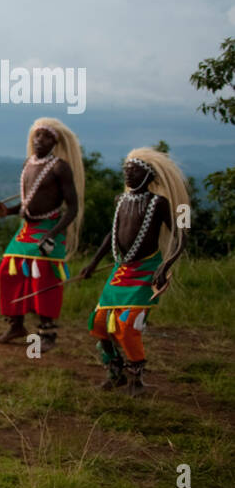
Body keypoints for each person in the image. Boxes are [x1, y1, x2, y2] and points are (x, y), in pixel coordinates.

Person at [79, 149, 187, 396]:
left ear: (149, 175)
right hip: (120, 272)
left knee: (127, 326)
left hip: (146, 272)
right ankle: (114, 372)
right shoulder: (121, 200)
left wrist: (165, 265)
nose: (128, 174)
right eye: (126, 170)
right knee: (98, 324)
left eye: (134, 170)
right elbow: (112, 235)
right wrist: (93, 263)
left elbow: (182, 234)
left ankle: (136, 380)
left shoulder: (158, 203)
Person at [0, 117, 84, 350]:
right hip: (26, 230)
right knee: (7, 271)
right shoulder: (28, 164)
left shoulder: (60, 167)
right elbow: (26, 205)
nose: (39, 139)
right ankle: (16, 325)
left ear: (55, 141)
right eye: (37, 135)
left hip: (49, 228)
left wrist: (52, 234)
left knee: (43, 278)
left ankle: (47, 333)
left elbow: (72, 208)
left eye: (46, 136)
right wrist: (7, 211)